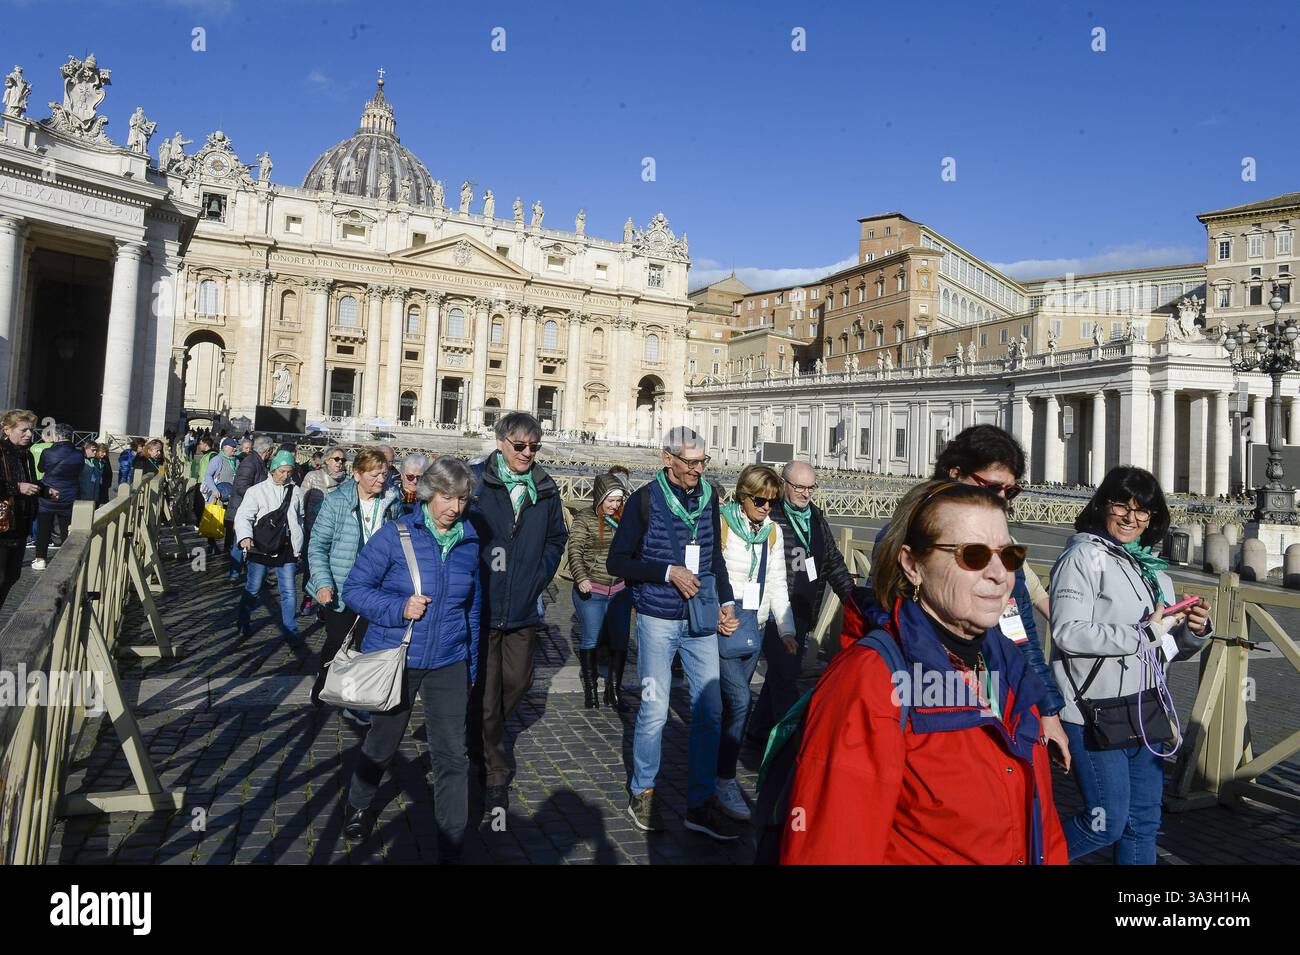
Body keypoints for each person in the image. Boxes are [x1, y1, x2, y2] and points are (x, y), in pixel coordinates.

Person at [780, 480, 1068, 864]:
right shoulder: (868, 681)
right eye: (974, 555)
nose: (1000, 574)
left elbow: (1043, 823)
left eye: (1010, 555)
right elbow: (832, 846)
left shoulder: (1010, 665)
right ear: (913, 565)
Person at [863, 425, 1070, 763]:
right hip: (925, 692)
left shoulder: (1005, 547)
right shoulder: (908, 532)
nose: (1000, 499)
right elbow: (884, 611)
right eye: (990, 487)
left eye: (1010, 491)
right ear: (954, 472)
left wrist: (1047, 708)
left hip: (995, 687)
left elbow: (1022, 634)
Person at [1050, 466, 1212, 865]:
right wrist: (1142, 633)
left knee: (1142, 822)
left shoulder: (1152, 569)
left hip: (1145, 708)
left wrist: (1194, 631)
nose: (1131, 517)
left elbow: (1163, 649)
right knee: (1103, 821)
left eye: (1143, 511)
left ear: (1153, 517)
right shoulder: (1083, 556)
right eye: (1121, 505)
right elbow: (1067, 633)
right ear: (1103, 505)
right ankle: (1025, 857)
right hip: (1094, 710)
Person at [341, 456, 481, 863]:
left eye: (462, 500)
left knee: (453, 754)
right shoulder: (393, 536)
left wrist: (469, 665)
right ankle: (359, 803)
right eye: (447, 498)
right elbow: (355, 589)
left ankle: (451, 842)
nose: (455, 508)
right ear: (428, 494)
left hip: (449, 659)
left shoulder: (470, 541)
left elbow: (472, 608)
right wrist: (398, 607)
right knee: (383, 742)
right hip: (398, 655)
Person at [607, 426, 743, 841]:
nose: (698, 471)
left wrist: (727, 603)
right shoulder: (643, 500)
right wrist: (667, 571)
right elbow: (618, 562)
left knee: (711, 711)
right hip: (658, 619)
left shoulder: (709, 498)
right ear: (667, 459)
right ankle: (643, 790)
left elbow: (714, 558)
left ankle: (699, 803)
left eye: (704, 462)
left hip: (700, 621)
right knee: (654, 709)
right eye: (691, 463)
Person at [468, 412, 568, 815]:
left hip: (524, 605)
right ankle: (495, 770)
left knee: (520, 682)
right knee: (489, 692)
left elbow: (557, 536)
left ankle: (475, 734)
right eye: (520, 445)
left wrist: (538, 574)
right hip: (483, 604)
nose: (528, 453)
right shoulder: (474, 482)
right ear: (500, 443)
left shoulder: (544, 488)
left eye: (534, 446)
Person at [749, 459, 856, 746]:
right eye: (799, 486)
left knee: (780, 675)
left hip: (804, 610)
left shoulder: (816, 518)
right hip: (775, 611)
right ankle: (791, 744)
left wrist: (853, 598)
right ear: (783, 483)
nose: (805, 493)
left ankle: (757, 731)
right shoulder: (772, 515)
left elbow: (833, 562)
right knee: (786, 677)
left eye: (811, 487)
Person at [714, 465, 796, 822]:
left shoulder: (773, 532)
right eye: (759, 501)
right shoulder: (721, 524)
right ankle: (724, 778)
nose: (766, 508)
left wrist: (786, 629)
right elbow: (709, 572)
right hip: (725, 626)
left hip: (755, 626)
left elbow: (778, 581)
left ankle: (711, 760)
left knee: (729, 707)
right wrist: (719, 610)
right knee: (740, 700)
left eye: (771, 502)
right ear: (742, 496)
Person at [306, 446, 402, 728]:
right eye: (374, 475)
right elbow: (318, 545)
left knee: (365, 646)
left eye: (384, 474)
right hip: (341, 585)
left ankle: (354, 701)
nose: (381, 480)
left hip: (376, 589)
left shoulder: (392, 502)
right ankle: (323, 683)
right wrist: (323, 583)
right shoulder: (336, 501)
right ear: (357, 474)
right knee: (337, 641)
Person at [565, 473, 631, 709]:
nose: (614, 505)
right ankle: (591, 690)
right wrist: (581, 577)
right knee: (591, 637)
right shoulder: (585, 518)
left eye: (618, 501)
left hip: (620, 590)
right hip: (592, 589)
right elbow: (574, 550)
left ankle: (613, 691)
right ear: (600, 499)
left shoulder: (625, 519)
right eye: (610, 501)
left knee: (620, 640)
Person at [233, 449, 304, 644]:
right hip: (261, 545)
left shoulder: (296, 491)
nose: (285, 475)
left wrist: (300, 542)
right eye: (281, 471)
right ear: (273, 469)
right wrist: (245, 537)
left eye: (289, 472)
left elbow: (300, 518)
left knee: (289, 591)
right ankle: (243, 622)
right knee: (253, 588)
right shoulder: (256, 491)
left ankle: (291, 631)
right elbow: (243, 516)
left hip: (287, 547)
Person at [0, 410, 57, 610]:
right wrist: (17, 487)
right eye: (23, 430)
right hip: (3, 526)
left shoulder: (27, 455)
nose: (28, 435)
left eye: (31, 430)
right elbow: (18, 485)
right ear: (7, 430)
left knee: (12, 576)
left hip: (21, 524)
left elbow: (30, 482)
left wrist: (43, 489)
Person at [299, 444, 349, 615]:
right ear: (327, 461)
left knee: (330, 568)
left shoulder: (347, 481)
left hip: (337, 533)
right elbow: (301, 503)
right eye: (336, 459)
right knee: (311, 565)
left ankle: (324, 605)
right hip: (313, 530)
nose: (340, 463)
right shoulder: (312, 477)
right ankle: (307, 597)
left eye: (343, 460)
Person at [32, 424, 80, 571]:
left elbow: (41, 468)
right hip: (69, 494)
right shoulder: (79, 453)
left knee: (43, 527)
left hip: (49, 494)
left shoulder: (47, 452)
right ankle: (66, 559)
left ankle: (40, 559)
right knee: (66, 528)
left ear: (57, 436)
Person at [228, 435, 274, 582]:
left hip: (251, 507)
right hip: (243, 508)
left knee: (249, 541)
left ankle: (254, 575)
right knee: (240, 540)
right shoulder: (250, 463)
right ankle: (235, 574)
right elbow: (241, 487)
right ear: (267, 451)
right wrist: (259, 496)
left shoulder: (258, 462)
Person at [77, 439, 107, 503]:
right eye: (93, 450)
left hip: (91, 498)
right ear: (85, 448)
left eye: (96, 450)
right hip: (82, 499)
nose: (95, 452)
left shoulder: (89, 461)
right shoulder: (79, 461)